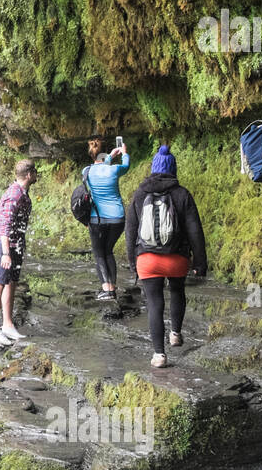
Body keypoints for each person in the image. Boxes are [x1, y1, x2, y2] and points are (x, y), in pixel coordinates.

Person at [125, 146, 207, 368]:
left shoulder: (140, 194)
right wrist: (200, 262)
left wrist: (133, 262)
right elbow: (195, 231)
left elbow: (130, 231)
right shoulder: (182, 194)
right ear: (173, 170)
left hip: (147, 259)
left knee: (154, 303)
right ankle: (175, 334)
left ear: (153, 169)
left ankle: (159, 355)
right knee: (177, 290)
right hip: (176, 260)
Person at [0, 159, 39, 345]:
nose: (37, 175)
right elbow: (4, 225)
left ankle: (8, 324)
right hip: (4, 244)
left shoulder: (22, 193)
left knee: (11, 282)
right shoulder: (14, 195)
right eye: (35, 172)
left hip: (15, 244)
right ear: (29, 175)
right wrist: (6, 253)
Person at [83, 138, 131, 301]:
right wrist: (124, 154)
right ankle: (113, 286)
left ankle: (107, 289)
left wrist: (108, 156)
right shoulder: (114, 170)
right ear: (104, 155)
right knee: (108, 250)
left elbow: (99, 164)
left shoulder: (86, 171)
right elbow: (126, 166)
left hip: (97, 219)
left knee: (99, 253)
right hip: (117, 218)